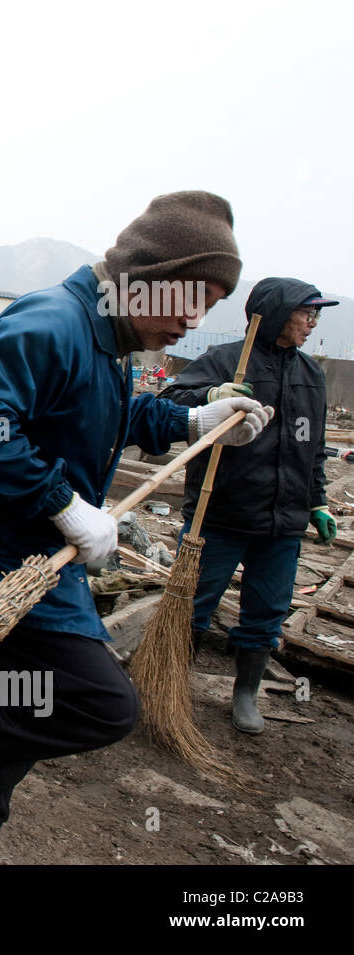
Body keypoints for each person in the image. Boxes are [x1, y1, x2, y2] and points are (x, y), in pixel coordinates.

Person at [0, 191, 274, 865]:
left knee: (18, 725)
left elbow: (106, 417)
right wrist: (63, 500)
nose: (194, 317)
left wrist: (190, 423)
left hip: (33, 554)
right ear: (147, 271)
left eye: (211, 305)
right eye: (192, 294)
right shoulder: (53, 322)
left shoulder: (108, 339)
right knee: (96, 701)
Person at [162, 278, 339, 734]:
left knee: (267, 611)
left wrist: (316, 502)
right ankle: (169, 684)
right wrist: (210, 395)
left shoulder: (311, 374)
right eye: (307, 313)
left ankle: (244, 694)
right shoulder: (225, 361)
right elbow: (168, 406)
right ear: (278, 314)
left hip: (284, 522)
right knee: (192, 606)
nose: (313, 322)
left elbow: (313, 447)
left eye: (317, 314)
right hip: (221, 515)